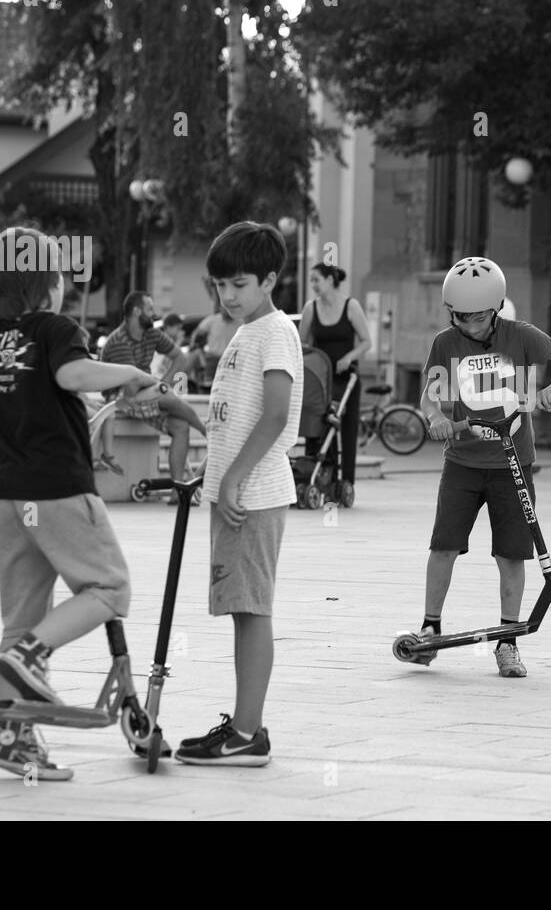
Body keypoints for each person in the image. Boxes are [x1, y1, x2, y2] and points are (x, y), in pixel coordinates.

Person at [0, 225, 159, 780]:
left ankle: (15, 739)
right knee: (109, 587)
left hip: (11, 496)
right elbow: (72, 373)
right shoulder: (56, 328)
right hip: (58, 487)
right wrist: (129, 372)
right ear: (49, 285)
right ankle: (32, 658)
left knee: (18, 619)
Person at [414, 256, 551, 678]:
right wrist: (437, 418)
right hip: (462, 463)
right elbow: (429, 398)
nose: (467, 326)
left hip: (513, 461)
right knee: (443, 546)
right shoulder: (446, 342)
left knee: (511, 553)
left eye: (475, 318)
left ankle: (508, 641)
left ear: (494, 309)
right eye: (458, 318)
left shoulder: (522, 336)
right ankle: (429, 628)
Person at [174, 221, 302, 766]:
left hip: (252, 496)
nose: (228, 296)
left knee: (252, 611)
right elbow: (235, 417)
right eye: (219, 285)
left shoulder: (275, 332)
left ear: (270, 280)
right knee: (242, 610)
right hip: (233, 494)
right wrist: (205, 455)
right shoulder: (245, 332)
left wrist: (231, 479)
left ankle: (248, 734)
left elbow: (276, 416)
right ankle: (242, 724)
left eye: (239, 284)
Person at [100, 291, 207, 498]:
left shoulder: (151, 333)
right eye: (150, 309)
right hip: (122, 397)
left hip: (143, 392)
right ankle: (206, 431)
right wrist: (159, 388)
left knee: (180, 426)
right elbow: (131, 384)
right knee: (165, 396)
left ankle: (177, 493)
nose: (155, 314)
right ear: (137, 311)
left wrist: (164, 383)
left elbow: (180, 358)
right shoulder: (118, 340)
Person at [298, 263, 372, 491]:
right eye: (311, 281)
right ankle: (319, 474)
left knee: (347, 428)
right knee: (318, 420)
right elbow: (301, 343)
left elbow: (367, 341)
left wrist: (349, 358)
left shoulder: (351, 306)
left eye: (316, 280)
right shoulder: (311, 308)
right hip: (321, 379)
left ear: (330, 280)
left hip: (345, 377)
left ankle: (346, 482)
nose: (313, 285)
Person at [190, 301, 241, 391]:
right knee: (208, 386)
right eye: (225, 308)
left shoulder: (240, 322)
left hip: (232, 360)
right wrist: (194, 346)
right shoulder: (212, 320)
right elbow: (197, 333)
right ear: (221, 309)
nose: (227, 311)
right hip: (213, 359)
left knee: (229, 388)